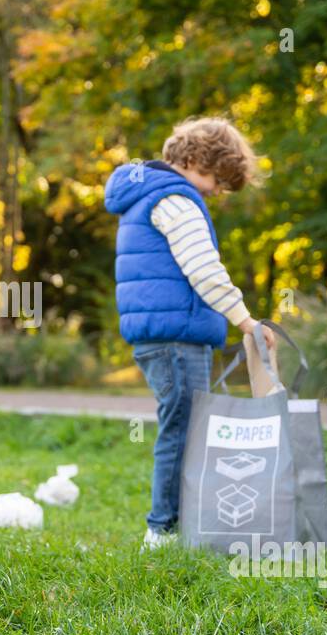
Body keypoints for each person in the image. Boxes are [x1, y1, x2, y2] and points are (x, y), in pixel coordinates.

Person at [103, 117, 275, 550]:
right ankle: (163, 533)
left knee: (183, 427)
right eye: (217, 180)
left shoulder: (146, 197)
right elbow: (204, 270)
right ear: (196, 159)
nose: (217, 192)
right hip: (176, 338)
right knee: (182, 431)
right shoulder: (176, 201)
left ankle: (178, 527)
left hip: (164, 335)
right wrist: (246, 322)